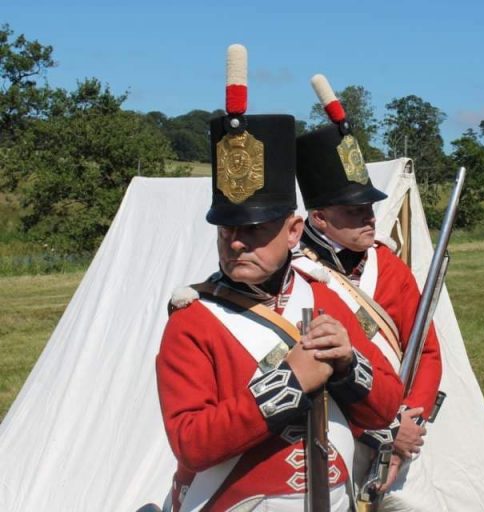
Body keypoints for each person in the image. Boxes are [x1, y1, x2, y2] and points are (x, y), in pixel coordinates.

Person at [155, 52, 403, 512]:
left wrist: (348, 364)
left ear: (292, 231)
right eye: (227, 230)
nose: (236, 244)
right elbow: (191, 443)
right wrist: (289, 382)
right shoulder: (192, 322)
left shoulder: (325, 295)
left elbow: (386, 405)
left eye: (254, 230)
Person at [293, 75, 442, 503]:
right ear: (319, 218)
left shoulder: (388, 265)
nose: (369, 218)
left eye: (370, 208)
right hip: (331, 432)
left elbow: (426, 351)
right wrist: (384, 428)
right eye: (354, 211)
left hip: (403, 434)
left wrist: (410, 420)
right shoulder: (294, 273)